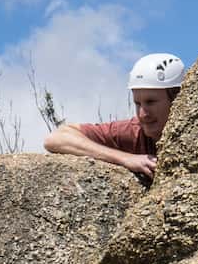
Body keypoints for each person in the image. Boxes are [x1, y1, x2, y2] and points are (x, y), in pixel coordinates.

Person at [42, 53, 185, 180]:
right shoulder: (133, 131)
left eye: (151, 102)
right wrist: (125, 158)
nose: (142, 114)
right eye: (137, 103)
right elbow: (56, 139)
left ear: (176, 99)